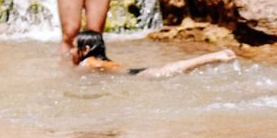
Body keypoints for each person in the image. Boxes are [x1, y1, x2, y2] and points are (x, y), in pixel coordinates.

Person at [70, 30, 234, 78]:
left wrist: (115, 70)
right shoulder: (97, 60)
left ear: (85, 49)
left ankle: (215, 57)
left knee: (168, 71)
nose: (70, 51)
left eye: (73, 47)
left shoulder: (89, 62)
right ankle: (213, 57)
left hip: (133, 74)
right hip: (133, 72)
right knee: (171, 69)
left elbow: (97, 65)